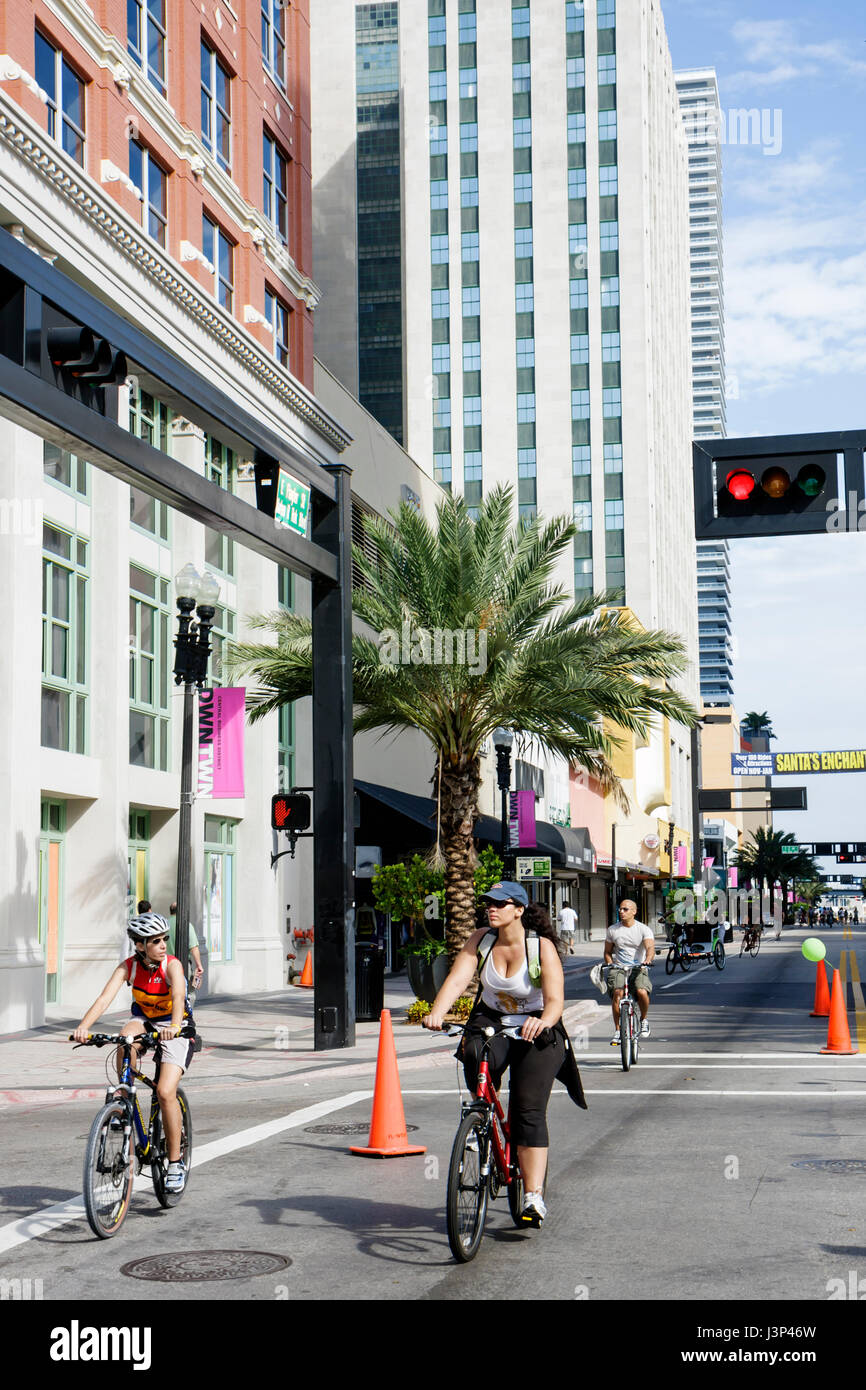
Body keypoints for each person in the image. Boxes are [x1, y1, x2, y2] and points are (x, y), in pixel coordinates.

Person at [422, 881, 586, 1226]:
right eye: (488, 903)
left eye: (500, 903)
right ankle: (481, 1118)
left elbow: (556, 1001)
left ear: (519, 910)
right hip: (493, 1019)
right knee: (471, 1050)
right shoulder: (481, 940)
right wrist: (438, 1012)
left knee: (527, 1110)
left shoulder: (539, 947)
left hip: (537, 1027)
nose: (491, 908)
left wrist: (542, 1022)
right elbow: (457, 980)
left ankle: (533, 1195)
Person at [71, 911, 196, 1193]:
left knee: (165, 1092)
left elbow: (177, 997)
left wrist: (175, 1026)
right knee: (124, 1039)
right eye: (156, 941)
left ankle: (175, 1162)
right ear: (140, 945)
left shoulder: (172, 966)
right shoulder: (128, 967)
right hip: (145, 1019)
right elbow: (105, 998)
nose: (163, 944)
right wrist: (83, 1027)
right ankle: (125, 1097)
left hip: (176, 1025)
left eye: (164, 939)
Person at [603, 899, 655, 1043]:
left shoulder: (643, 929)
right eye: (620, 909)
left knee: (641, 992)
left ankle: (644, 1020)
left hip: (638, 967)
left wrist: (648, 959)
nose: (621, 911)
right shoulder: (613, 930)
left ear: (634, 911)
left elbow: (650, 948)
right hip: (619, 967)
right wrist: (610, 963)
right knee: (617, 994)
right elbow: (607, 952)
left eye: (625, 909)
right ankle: (618, 1030)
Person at [168, 902, 204, 992]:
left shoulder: (165, 924)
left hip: (167, 965)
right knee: (188, 993)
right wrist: (199, 965)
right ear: (182, 911)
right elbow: (194, 948)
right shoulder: (186, 925)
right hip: (183, 965)